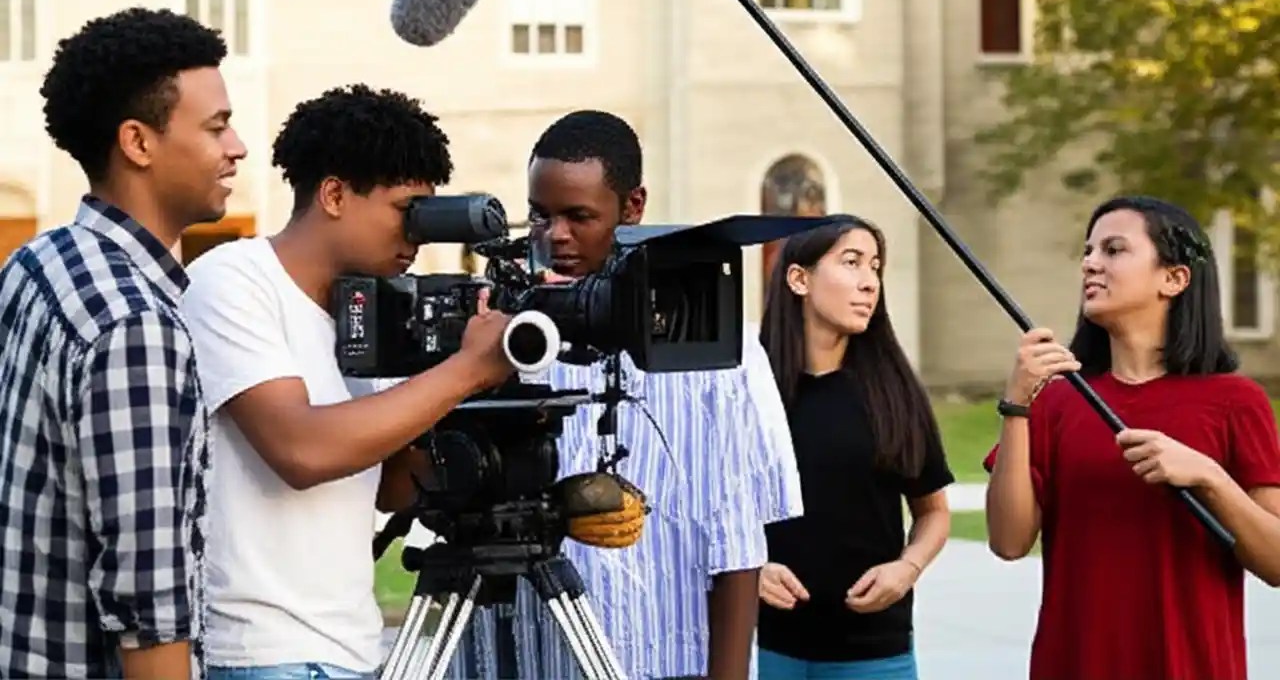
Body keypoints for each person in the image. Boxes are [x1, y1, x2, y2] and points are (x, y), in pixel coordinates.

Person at [441, 109, 804, 680]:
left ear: (633, 207)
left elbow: (737, 538)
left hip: (669, 657)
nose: (555, 235)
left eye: (579, 216)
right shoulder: (503, 337)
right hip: (535, 659)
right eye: (540, 215)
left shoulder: (718, 342)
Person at [177, 84, 515, 680]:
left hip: (350, 648)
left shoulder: (367, 311)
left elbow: (388, 488)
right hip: (265, 654)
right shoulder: (233, 281)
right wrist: (462, 372)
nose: (417, 235)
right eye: (405, 211)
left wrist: (485, 406)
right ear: (334, 194)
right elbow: (302, 451)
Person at [0, 8, 245, 679]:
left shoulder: (36, 265)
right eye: (217, 127)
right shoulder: (135, 325)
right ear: (138, 142)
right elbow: (150, 607)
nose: (238, 148)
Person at [984, 195, 1280, 680]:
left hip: (1192, 665)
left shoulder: (1236, 401)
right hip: (1075, 663)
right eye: (1088, 251)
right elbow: (1009, 541)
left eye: (1114, 250)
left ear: (1174, 278)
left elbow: (1276, 562)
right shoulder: (1057, 402)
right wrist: (1017, 405)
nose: (1090, 264)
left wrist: (1208, 476)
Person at [754, 216, 953, 679]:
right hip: (774, 649)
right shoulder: (751, 391)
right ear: (799, 278)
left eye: (876, 267)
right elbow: (716, 509)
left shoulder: (894, 392)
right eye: (851, 263)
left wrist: (907, 568)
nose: (869, 283)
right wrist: (752, 568)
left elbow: (933, 512)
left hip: (876, 654)